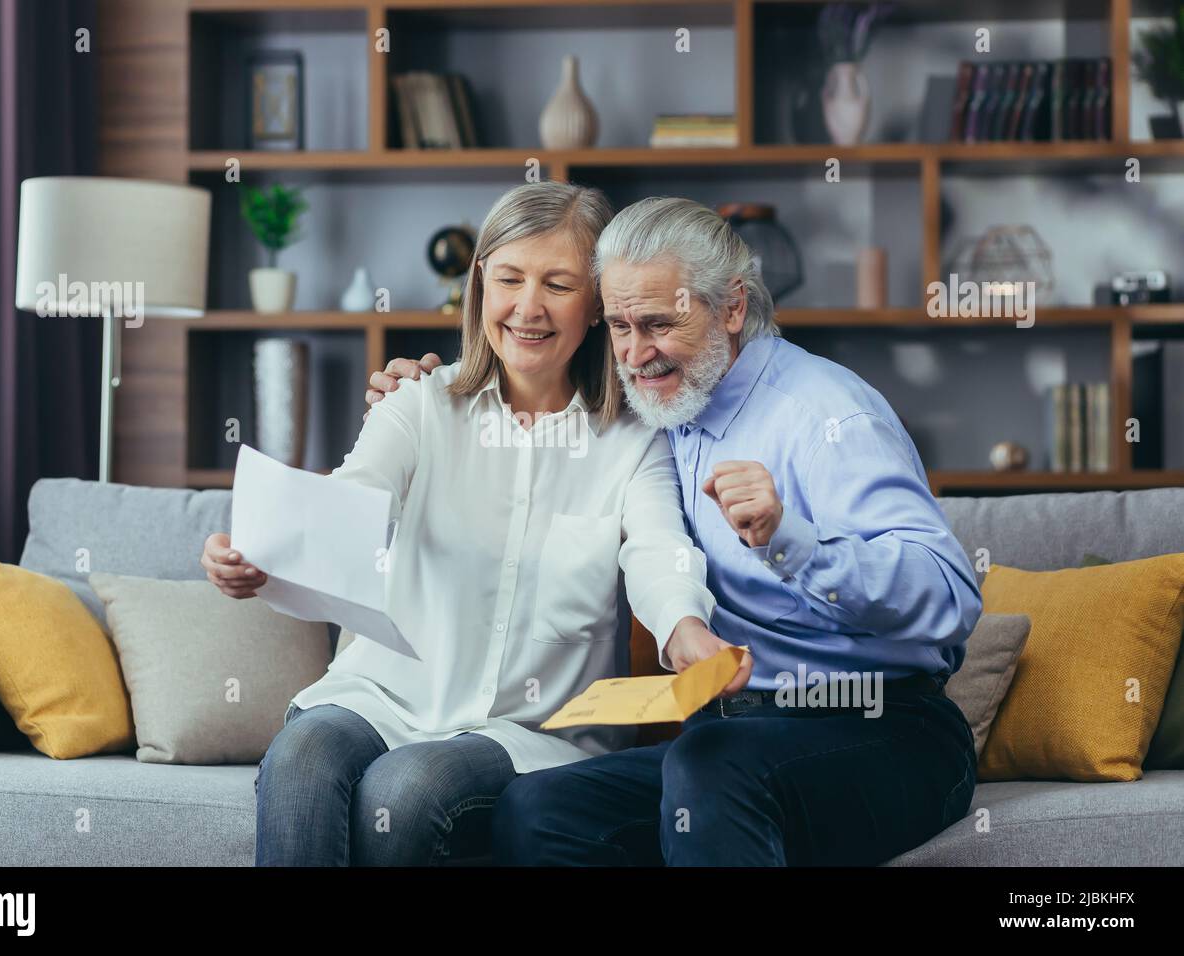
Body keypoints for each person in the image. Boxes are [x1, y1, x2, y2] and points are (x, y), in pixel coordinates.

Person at [366, 196, 984, 866]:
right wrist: (432, 391)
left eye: (659, 323)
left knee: (712, 769)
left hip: (884, 728)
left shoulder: (824, 414)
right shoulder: (662, 413)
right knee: (539, 809)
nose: (636, 353)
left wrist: (792, 539)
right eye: (620, 327)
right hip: (734, 733)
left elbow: (953, 598)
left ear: (732, 308)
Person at [200, 183, 734, 867]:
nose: (528, 307)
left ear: (597, 303)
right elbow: (352, 501)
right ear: (480, 281)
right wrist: (257, 555)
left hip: (528, 729)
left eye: (559, 284)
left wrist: (686, 625)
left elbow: (660, 550)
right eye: (509, 278)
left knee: (410, 789)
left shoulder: (633, 441)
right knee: (299, 758)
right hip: (380, 695)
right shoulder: (418, 403)